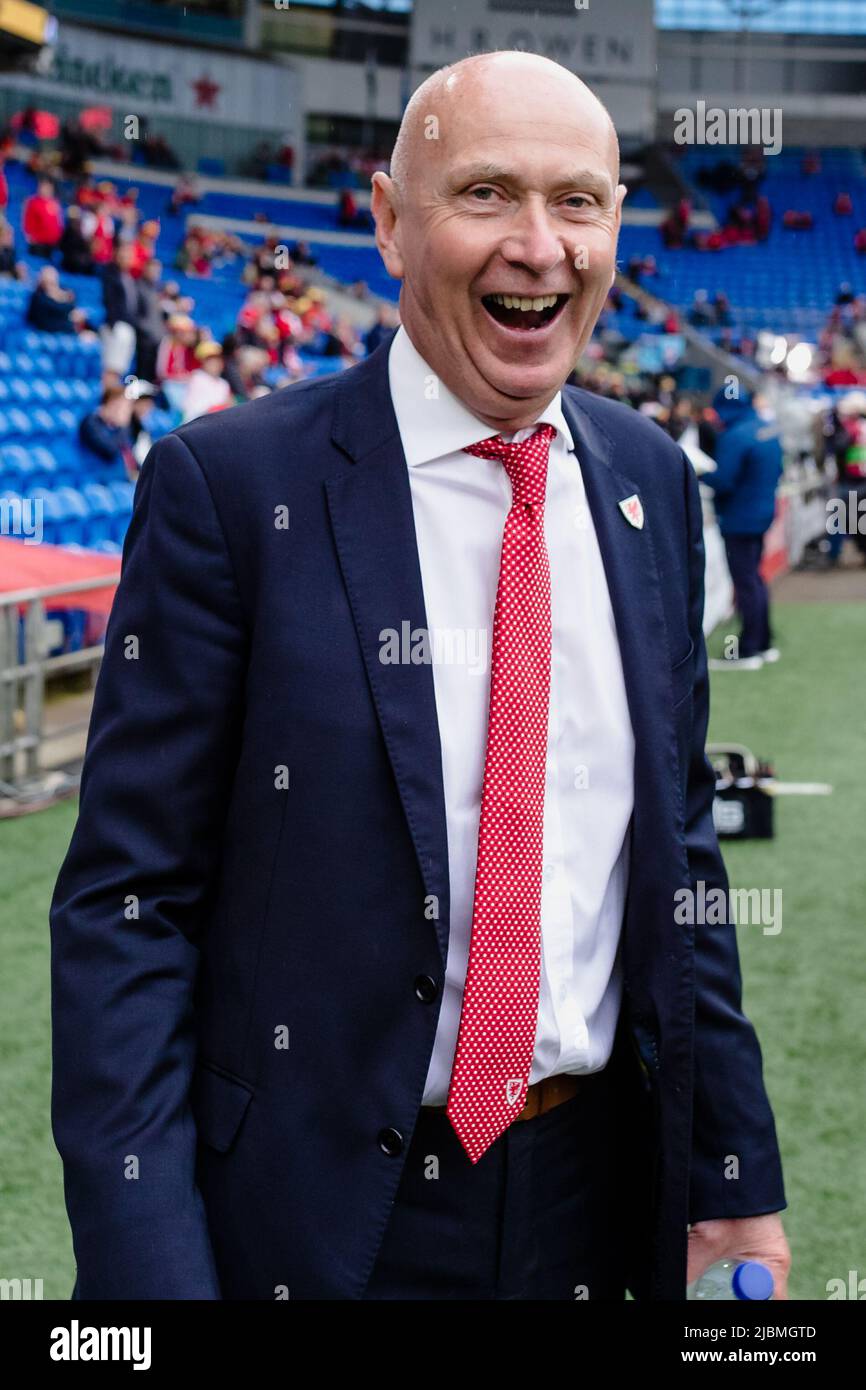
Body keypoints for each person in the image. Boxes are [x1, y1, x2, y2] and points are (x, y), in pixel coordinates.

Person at [49, 51, 790, 1303]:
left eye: (578, 202)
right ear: (389, 221)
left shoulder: (649, 484)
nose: (540, 247)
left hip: (598, 1206)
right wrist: (146, 1277)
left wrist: (730, 1173)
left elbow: (677, 864)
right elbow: (128, 912)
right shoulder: (229, 490)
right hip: (315, 1220)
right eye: (487, 193)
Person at [703, 385, 784, 667]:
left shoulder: (735, 436)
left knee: (746, 581)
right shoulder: (766, 427)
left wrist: (698, 472)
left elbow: (724, 480)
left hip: (740, 518)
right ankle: (763, 642)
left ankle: (749, 648)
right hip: (762, 514)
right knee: (755, 579)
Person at [101, 242, 143, 377]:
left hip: (129, 326)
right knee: (110, 366)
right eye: (123, 254)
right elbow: (109, 300)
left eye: (129, 255)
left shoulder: (131, 278)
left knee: (120, 368)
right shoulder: (110, 274)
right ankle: (106, 395)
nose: (126, 257)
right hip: (116, 325)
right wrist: (112, 324)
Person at [78, 385, 136, 475]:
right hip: (91, 476)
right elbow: (111, 450)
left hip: (113, 479)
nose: (127, 412)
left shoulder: (117, 428)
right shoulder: (91, 422)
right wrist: (123, 427)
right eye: (124, 407)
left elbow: (129, 454)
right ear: (112, 404)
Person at [181, 340, 233, 422]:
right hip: (196, 422)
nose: (215, 364)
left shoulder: (224, 383)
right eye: (210, 360)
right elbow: (196, 412)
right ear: (202, 362)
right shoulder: (196, 378)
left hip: (219, 422)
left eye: (217, 360)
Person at [22, 176, 63, 257]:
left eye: (48, 187)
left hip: (53, 243)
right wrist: (30, 236)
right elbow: (27, 221)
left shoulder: (54, 202)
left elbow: (58, 221)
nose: (45, 189)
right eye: (42, 186)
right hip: (39, 243)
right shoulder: (33, 202)